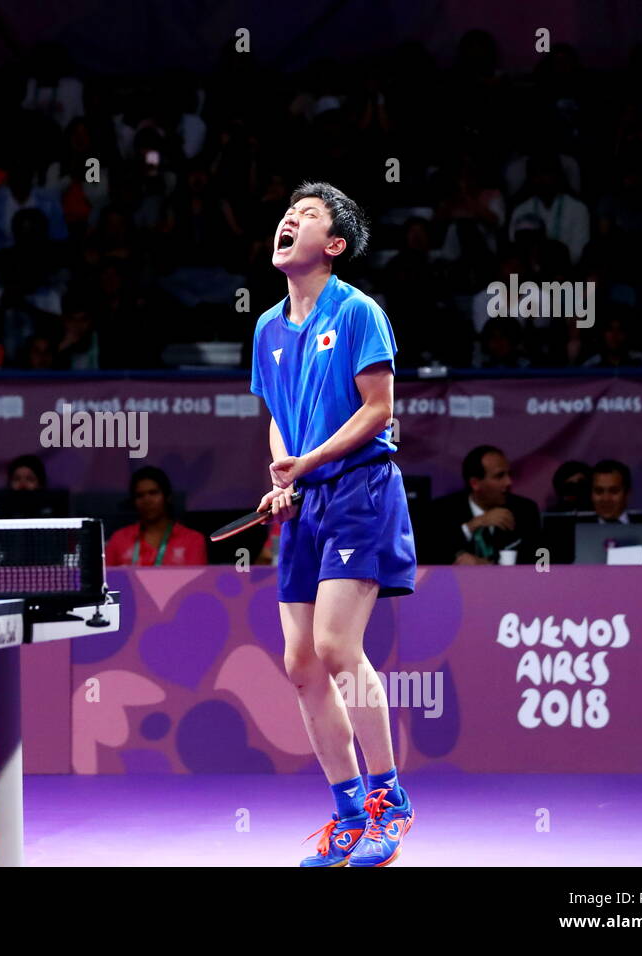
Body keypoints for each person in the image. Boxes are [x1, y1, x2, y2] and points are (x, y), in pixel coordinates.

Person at [250, 182, 416, 867]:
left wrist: (309, 462)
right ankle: (347, 810)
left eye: (308, 216)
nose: (290, 219)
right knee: (299, 662)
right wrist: (281, 471)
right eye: (287, 212)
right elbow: (277, 417)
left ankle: (389, 801)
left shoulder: (358, 312)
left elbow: (379, 408)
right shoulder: (266, 327)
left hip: (358, 490)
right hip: (309, 501)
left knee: (337, 647)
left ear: (335, 245)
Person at [425, 445, 541, 565]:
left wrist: (486, 566)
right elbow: (429, 555)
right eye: (499, 476)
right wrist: (471, 526)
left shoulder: (524, 510)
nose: (508, 482)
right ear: (475, 483)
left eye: (509, 474)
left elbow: (539, 562)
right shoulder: (441, 510)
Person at [104, 466, 207, 566]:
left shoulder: (193, 540)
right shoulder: (119, 539)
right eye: (140, 495)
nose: (147, 500)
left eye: (153, 493)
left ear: (167, 497)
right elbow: (104, 581)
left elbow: (197, 583)